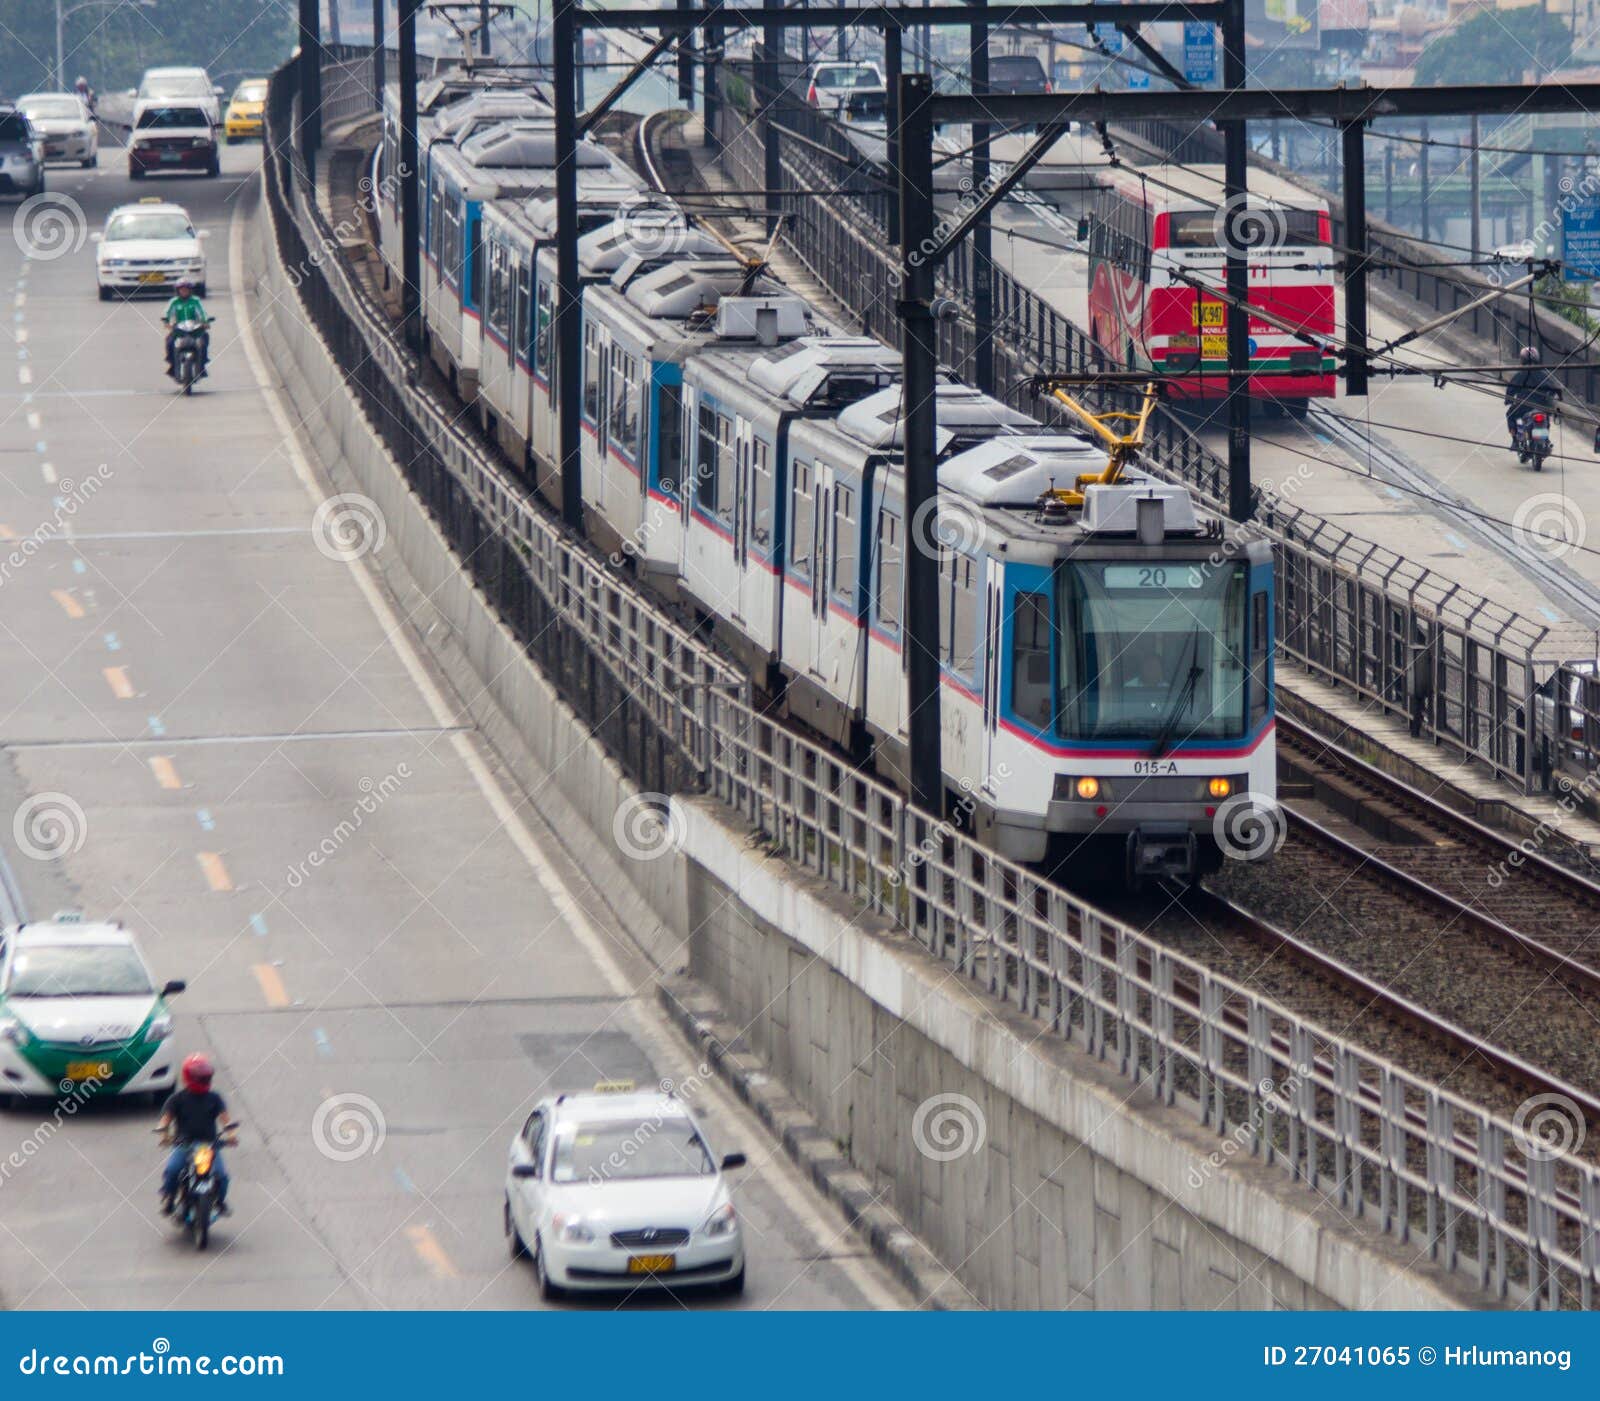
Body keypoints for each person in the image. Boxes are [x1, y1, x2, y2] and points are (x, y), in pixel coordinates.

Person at [158, 1052, 233, 1216]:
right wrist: (164, 1134)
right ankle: (169, 1198)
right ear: (188, 1076)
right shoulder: (177, 1099)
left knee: (222, 1176)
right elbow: (166, 1119)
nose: (203, 1080)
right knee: (172, 1170)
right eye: (199, 1077)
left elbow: (225, 1119)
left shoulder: (215, 1098)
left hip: (209, 1145)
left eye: (205, 1076)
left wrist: (231, 1134)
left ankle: (220, 1202)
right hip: (184, 1144)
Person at [1505, 345, 1561, 438]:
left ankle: (1515, 438)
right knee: (1546, 417)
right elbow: (1554, 388)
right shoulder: (1543, 375)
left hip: (1523, 407)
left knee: (1510, 415)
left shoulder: (1520, 375)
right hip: (1542, 407)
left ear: (1522, 360)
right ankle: (1545, 438)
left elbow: (1510, 390)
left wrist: (1508, 401)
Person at [162, 280, 210, 379]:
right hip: (179, 330)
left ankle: (202, 365)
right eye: (182, 289)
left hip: (195, 329)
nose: (184, 291)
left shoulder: (195, 301)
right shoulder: (174, 302)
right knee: (169, 342)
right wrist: (166, 322)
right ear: (178, 291)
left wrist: (205, 322)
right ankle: (172, 365)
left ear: (190, 291)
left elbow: (202, 313)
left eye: (186, 289)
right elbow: (167, 313)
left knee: (204, 340)